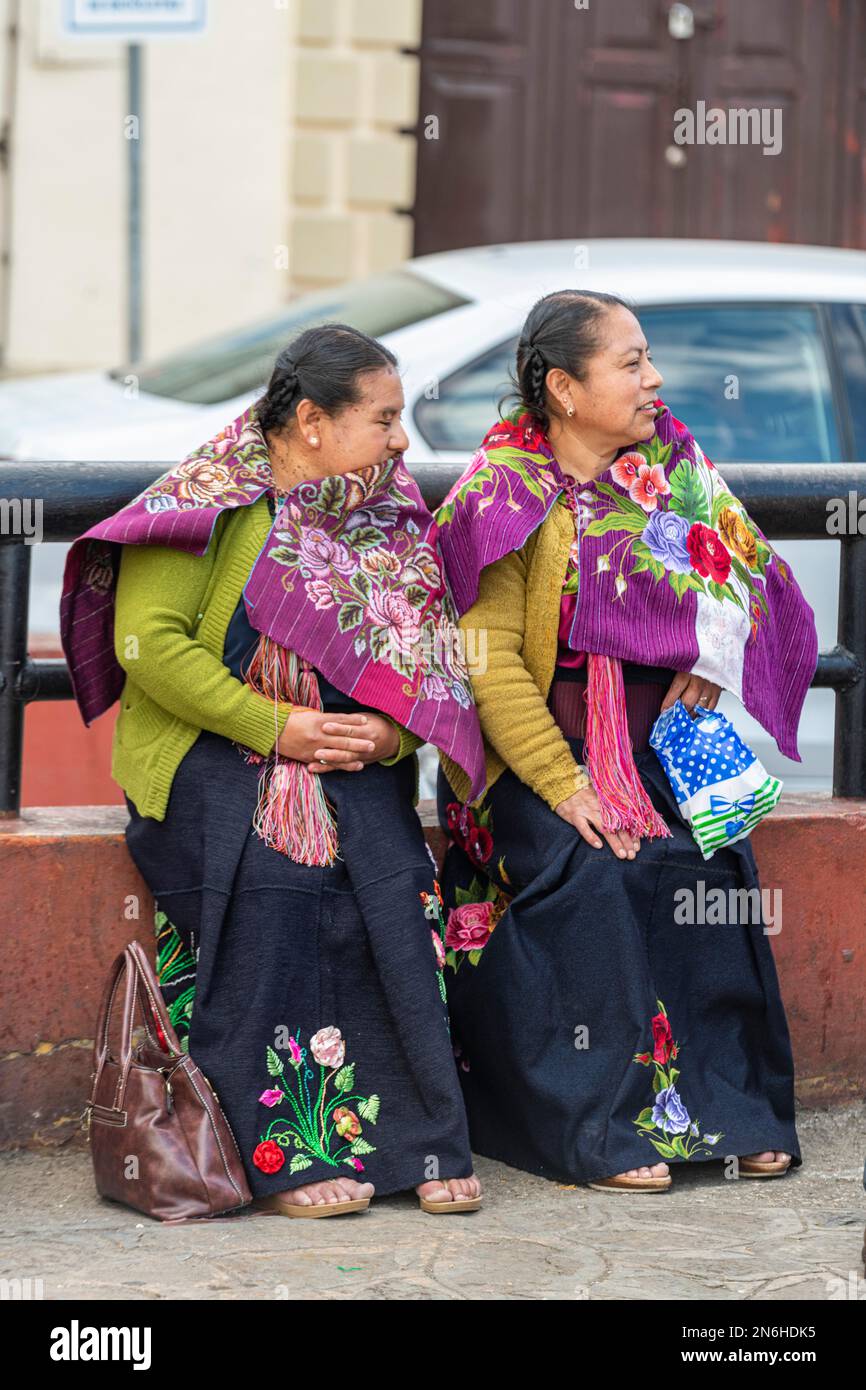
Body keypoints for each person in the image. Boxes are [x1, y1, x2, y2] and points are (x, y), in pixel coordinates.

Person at [60, 324, 487, 1217]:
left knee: (394, 880)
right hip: (213, 754)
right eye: (383, 418)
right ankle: (283, 1155)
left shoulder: (384, 515)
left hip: (341, 756)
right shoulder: (205, 504)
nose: (402, 439)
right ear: (309, 422)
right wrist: (277, 727)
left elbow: (430, 674)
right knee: (277, 879)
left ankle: (420, 1142)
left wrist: (388, 739)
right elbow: (152, 649)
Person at [433, 289, 819, 1192]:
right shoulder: (502, 496)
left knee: (711, 874)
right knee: (599, 872)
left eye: (649, 359)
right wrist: (566, 787)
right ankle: (600, 1126)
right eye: (632, 363)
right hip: (538, 765)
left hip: (662, 753)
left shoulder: (673, 464)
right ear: (564, 388)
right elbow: (487, 665)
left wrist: (716, 655)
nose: (655, 381)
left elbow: (744, 569)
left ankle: (730, 1113)